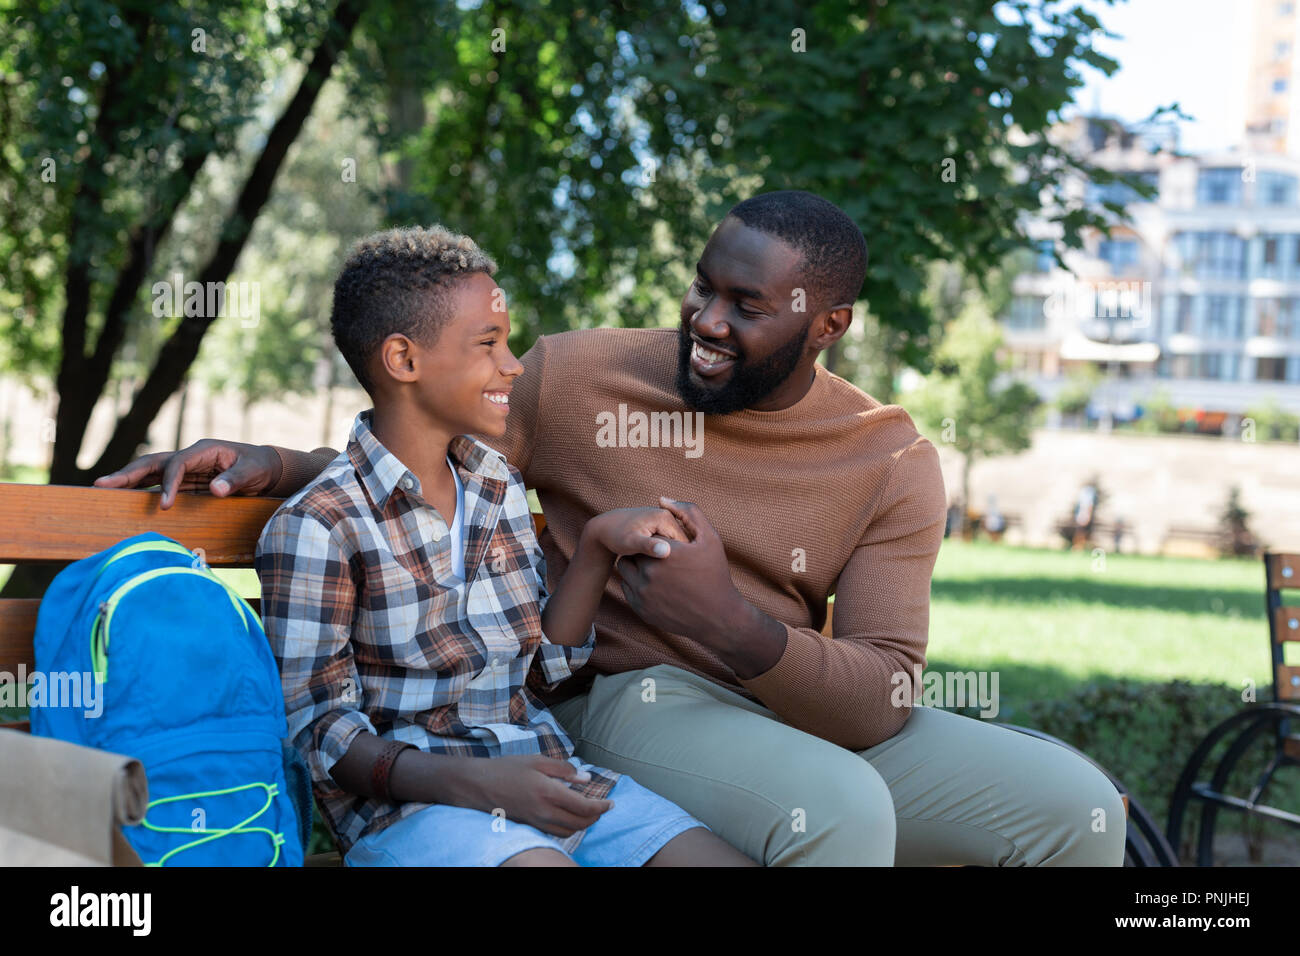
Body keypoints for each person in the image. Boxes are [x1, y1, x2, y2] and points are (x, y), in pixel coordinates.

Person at [98, 190, 1126, 866]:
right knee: (840, 809)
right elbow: (418, 467)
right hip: (626, 700)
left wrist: (731, 622)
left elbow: (881, 693)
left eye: (746, 304)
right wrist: (276, 463)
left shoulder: (889, 455)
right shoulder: (577, 372)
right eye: (702, 286)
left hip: (791, 703)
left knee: (1077, 809)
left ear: (827, 323)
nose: (706, 322)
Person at [251, 225, 755, 866]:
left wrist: (598, 547)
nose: (513, 363)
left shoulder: (496, 486)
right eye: (489, 344)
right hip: (414, 811)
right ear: (404, 361)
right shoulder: (320, 525)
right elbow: (320, 732)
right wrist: (483, 786)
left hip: (541, 775)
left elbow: (544, 669)